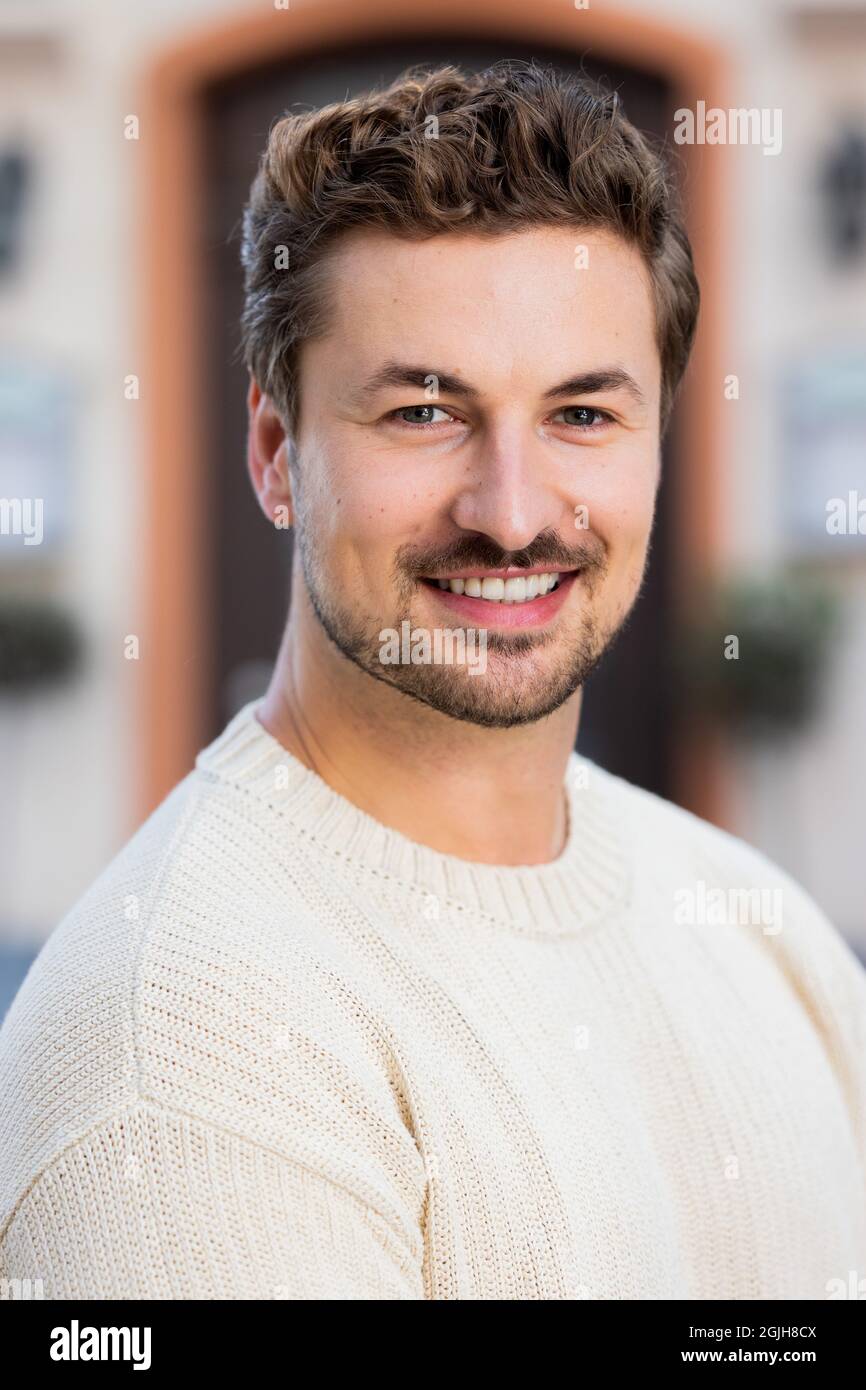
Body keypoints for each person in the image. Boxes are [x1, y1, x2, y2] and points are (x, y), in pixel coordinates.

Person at [1, 61, 864, 1301]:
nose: (511, 516)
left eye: (580, 415)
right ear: (274, 454)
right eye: (421, 411)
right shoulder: (180, 1052)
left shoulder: (760, 935)